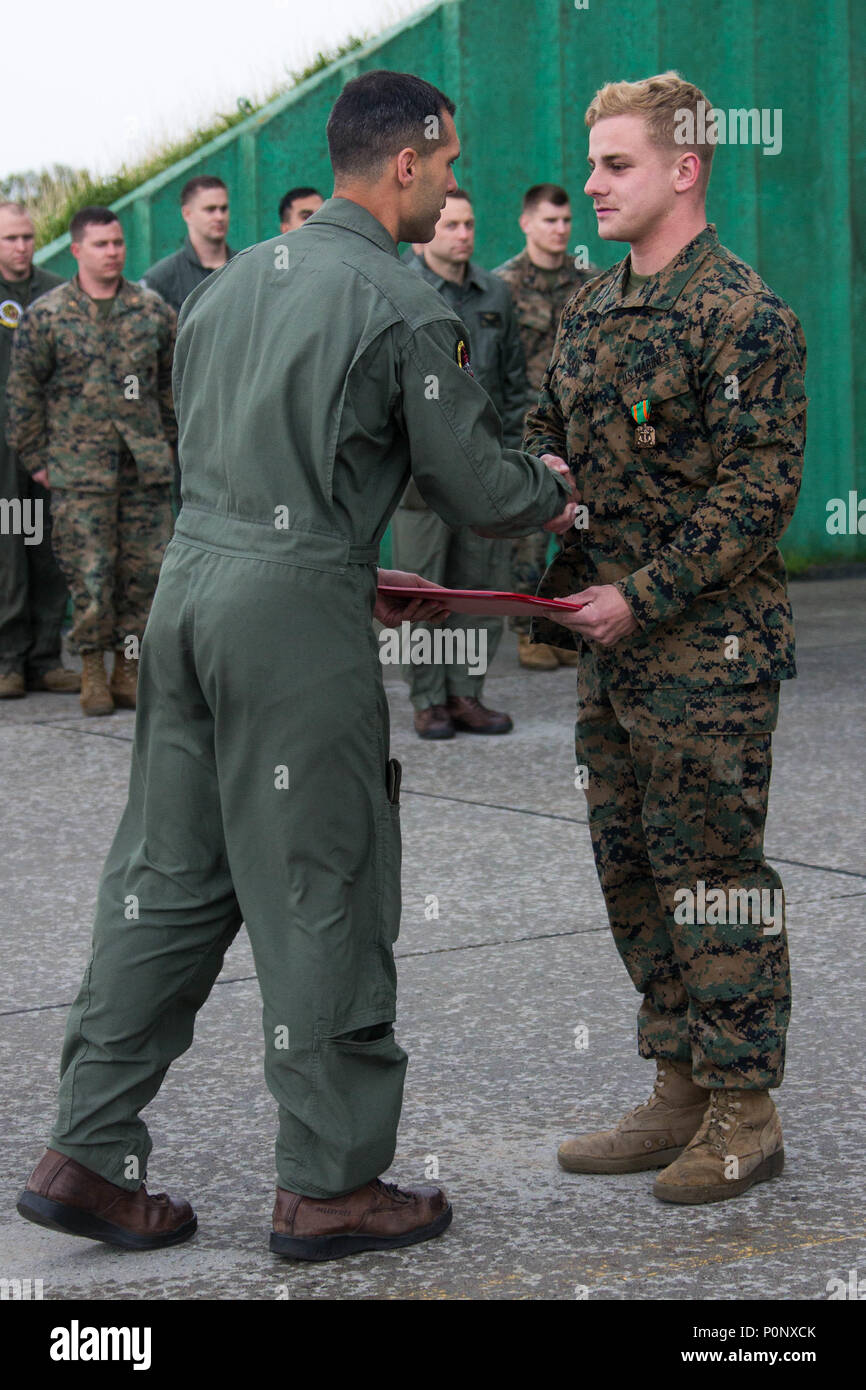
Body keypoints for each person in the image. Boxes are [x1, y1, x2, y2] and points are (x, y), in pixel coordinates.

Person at [16, 71, 576, 1262]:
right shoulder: (401, 301)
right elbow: (473, 486)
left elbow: (221, 448)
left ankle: (86, 1145)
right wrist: (552, 487)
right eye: (449, 165)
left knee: (167, 877)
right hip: (291, 620)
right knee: (323, 878)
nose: (451, 189)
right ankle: (328, 1184)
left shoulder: (223, 292)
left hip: (187, 595)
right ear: (410, 164)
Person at [527, 71, 806, 1205]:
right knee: (631, 868)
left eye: (614, 165)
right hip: (609, 647)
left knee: (712, 877)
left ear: (683, 169)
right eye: (590, 165)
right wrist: (538, 485)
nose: (589, 185)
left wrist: (641, 591)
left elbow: (758, 491)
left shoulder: (744, 315)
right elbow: (545, 431)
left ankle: (746, 1110)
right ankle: (680, 1082)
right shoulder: (590, 308)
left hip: (707, 650)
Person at [5, 207, 177, 717]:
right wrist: (38, 459)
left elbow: (172, 386)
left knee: (144, 576)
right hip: (79, 473)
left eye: (118, 243)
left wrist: (166, 443)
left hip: (143, 471)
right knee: (90, 576)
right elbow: (22, 394)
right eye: (101, 245)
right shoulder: (48, 314)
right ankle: (92, 671)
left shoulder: (152, 312)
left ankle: (128, 667)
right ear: (77, 250)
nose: (113, 253)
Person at [391, 188, 530, 739]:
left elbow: (515, 383)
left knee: (479, 585)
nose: (463, 234)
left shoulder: (496, 292)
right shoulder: (400, 287)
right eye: (452, 225)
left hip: (484, 467)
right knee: (423, 588)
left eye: (470, 224)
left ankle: (467, 693)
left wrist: (513, 455)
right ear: (431, 229)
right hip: (420, 476)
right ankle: (428, 700)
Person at [494, 184, 597, 672]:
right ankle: (528, 631)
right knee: (531, 532)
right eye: (549, 221)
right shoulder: (503, 287)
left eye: (565, 221)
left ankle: (567, 626)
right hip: (525, 425)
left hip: (582, 425)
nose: (559, 230)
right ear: (526, 223)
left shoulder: (590, 282)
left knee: (579, 529)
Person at [0, 202, 76, 699]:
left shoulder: (54, 289)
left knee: (49, 548)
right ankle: (9, 659)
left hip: (50, 446)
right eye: (10, 239)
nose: (22, 247)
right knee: (11, 546)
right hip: (4, 450)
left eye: (27, 237)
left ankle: (46, 657)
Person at [140, 177, 235, 314]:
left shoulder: (245, 266)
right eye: (210, 209)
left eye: (224, 209)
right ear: (187, 214)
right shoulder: (161, 279)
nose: (220, 217)